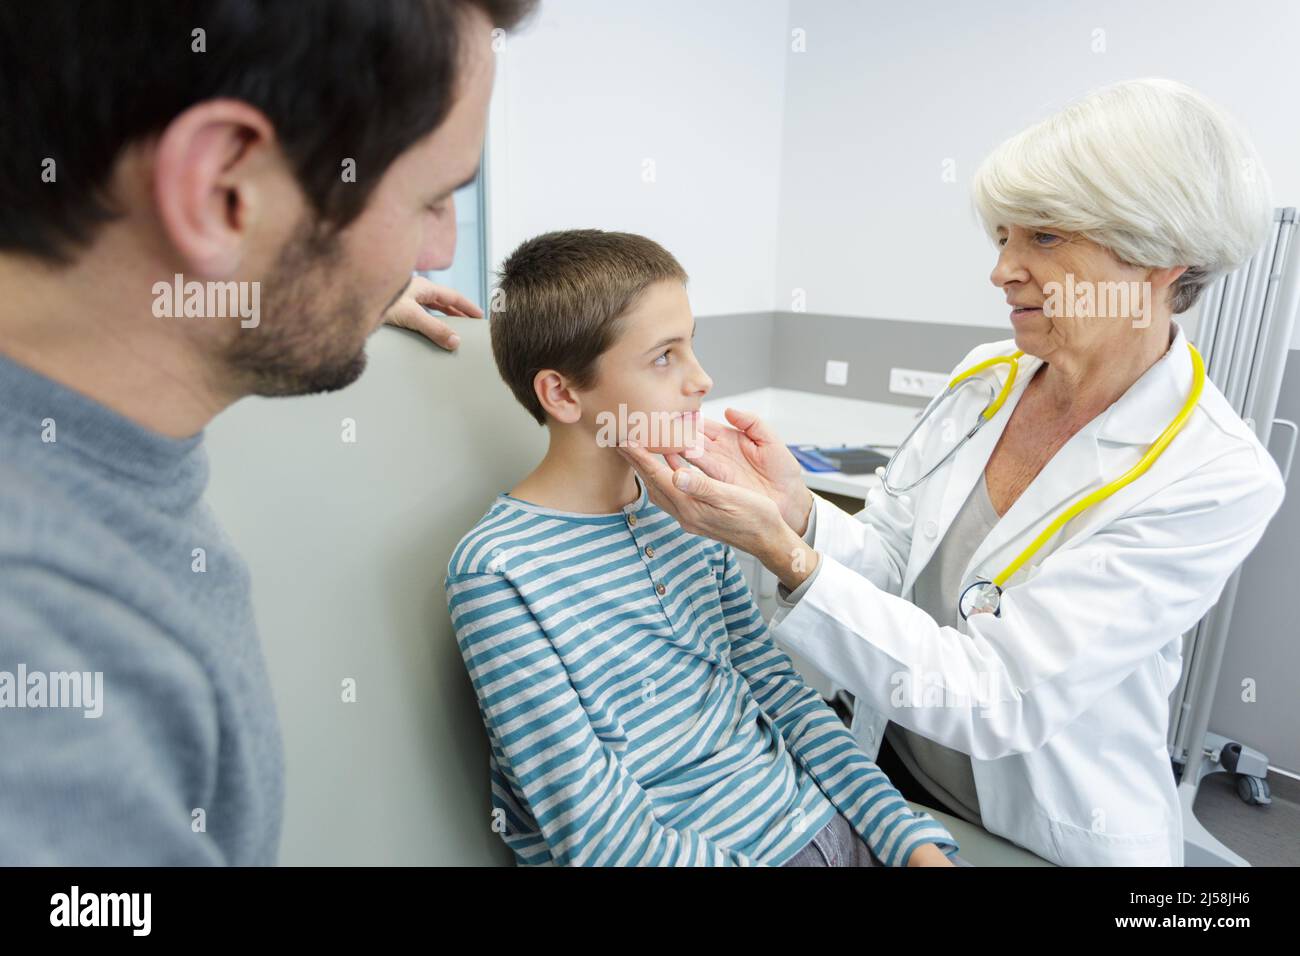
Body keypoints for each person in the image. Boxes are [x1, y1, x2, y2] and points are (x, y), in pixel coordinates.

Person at [617, 78, 1286, 866]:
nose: (1002, 270)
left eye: (1043, 238)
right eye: (1002, 236)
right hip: (891, 777)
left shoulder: (1214, 475)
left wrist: (784, 555)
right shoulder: (984, 379)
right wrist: (799, 514)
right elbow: (894, 562)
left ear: (1162, 260)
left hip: (1040, 830)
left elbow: (998, 696)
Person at [0, 0, 536, 864]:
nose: (438, 252)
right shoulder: (46, 659)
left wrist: (320, 273)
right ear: (221, 192)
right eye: (434, 199)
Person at [445, 229, 962, 866]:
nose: (703, 379)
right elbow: (603, 841)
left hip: (827, 825)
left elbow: (785, 699)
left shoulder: (686, 517)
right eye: (665, 356)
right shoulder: (500, 572)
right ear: (562, 393)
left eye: (693, 346)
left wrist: (909, 842)